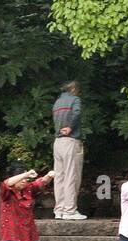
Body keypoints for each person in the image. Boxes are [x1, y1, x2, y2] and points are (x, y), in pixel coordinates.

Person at [51, 81, 86, 220]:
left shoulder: (57, 102)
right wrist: (70, 126)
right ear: (73, 88)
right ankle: (70, 210)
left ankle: (59, 209)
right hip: (71, 140)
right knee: (72, 175)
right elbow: (76, 113)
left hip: (58, 142)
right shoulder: (75, 100)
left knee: (59, 177)